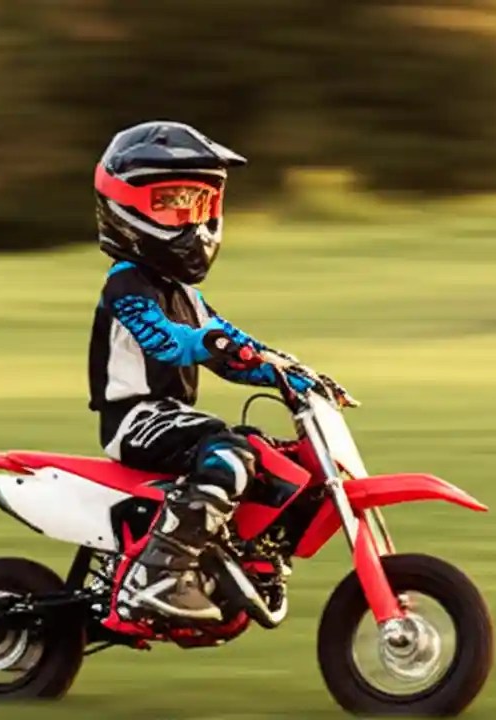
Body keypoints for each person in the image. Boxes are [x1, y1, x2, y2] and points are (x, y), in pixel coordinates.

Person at [88, 120, 350, 622]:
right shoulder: (126, 286)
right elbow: (165, 341)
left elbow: (236, 347)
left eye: (200, 205)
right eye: (172, 203)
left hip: (168, 416)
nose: (191, 219)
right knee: (229, 456)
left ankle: (250, 559)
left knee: (272, 455)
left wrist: (289, 372)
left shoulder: (186, 293)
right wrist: (209, 343)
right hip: (133, 420)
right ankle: (159, 573)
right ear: (126, 206)